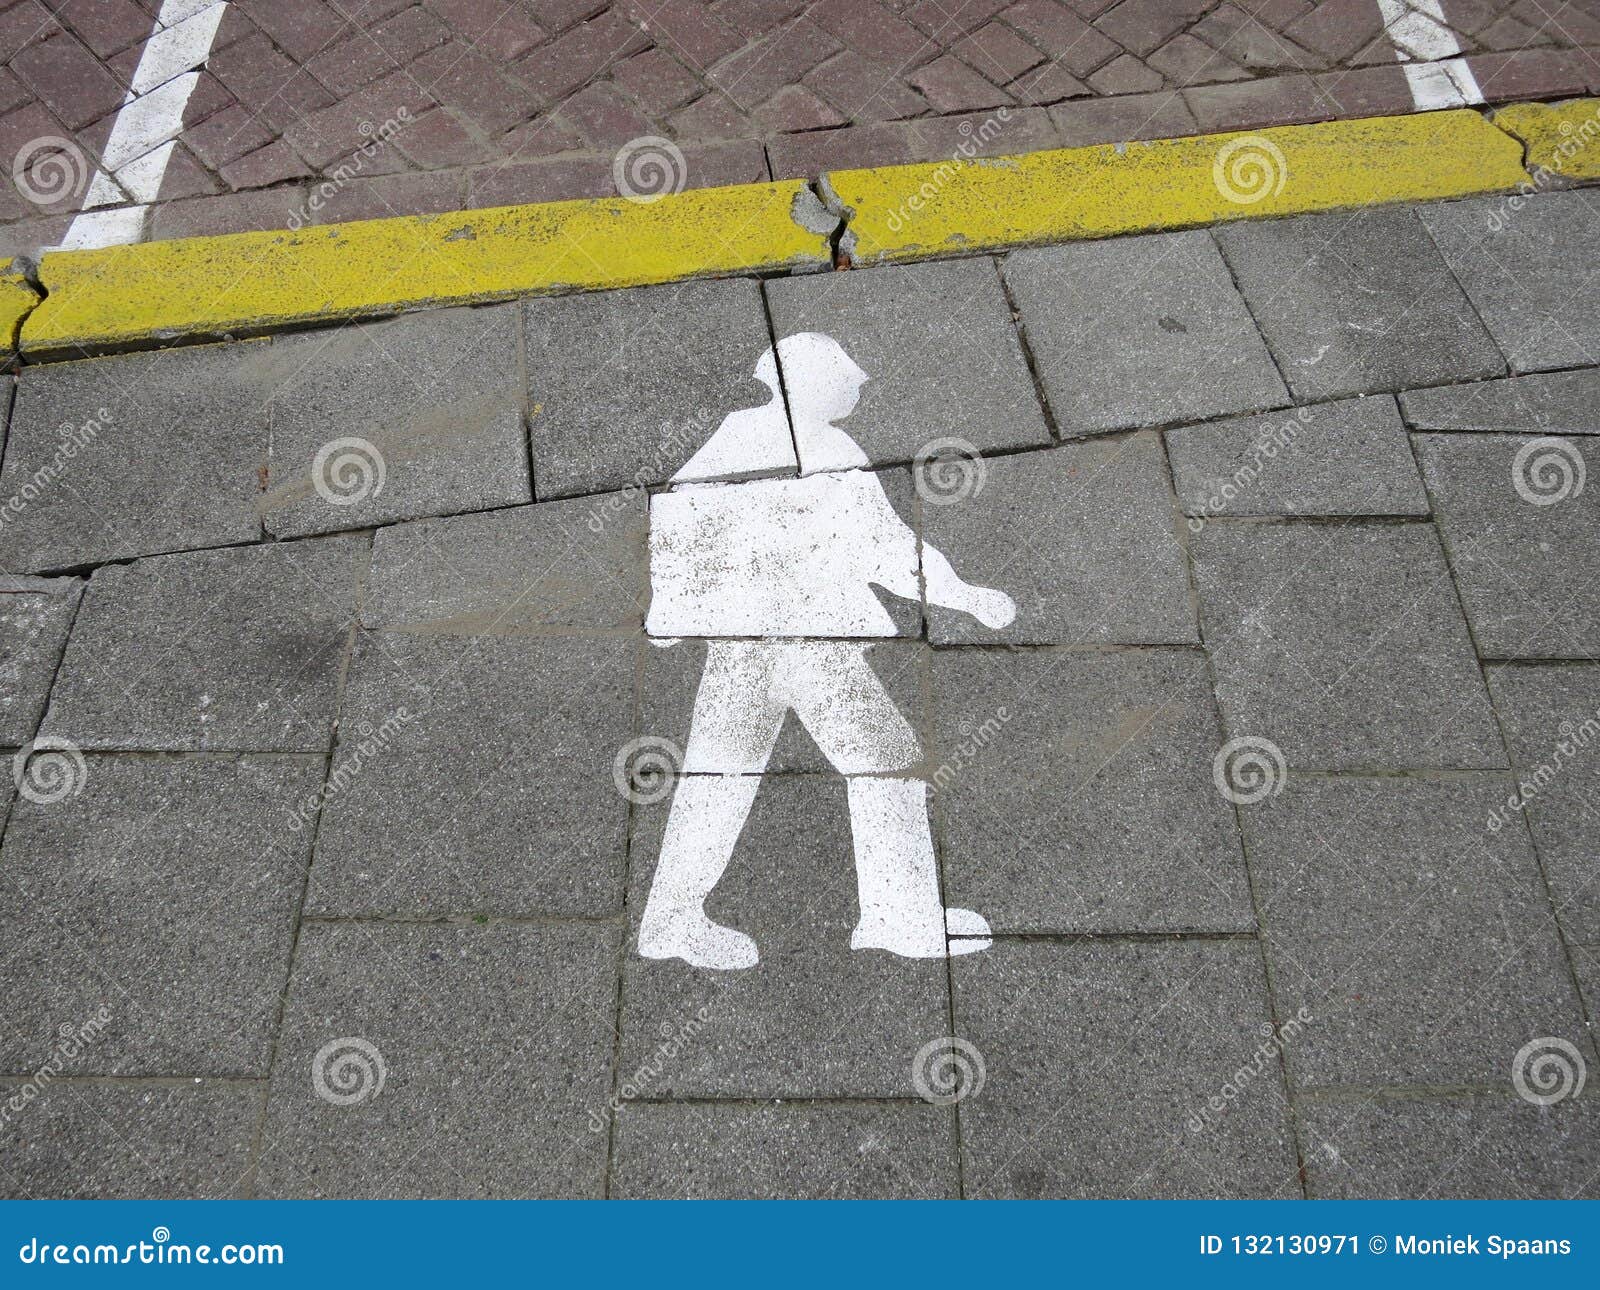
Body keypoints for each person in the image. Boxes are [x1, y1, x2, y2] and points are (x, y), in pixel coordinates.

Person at [638, 333, 1016, 970]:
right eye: (844, 378)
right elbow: (882, 547)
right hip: (803, 645)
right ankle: (899, 915)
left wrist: (672, 610)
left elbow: (679, 524)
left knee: (721, 774)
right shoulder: (811, 446)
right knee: (883, 763)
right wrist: (963, 594)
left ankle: (671, 922)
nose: (856, 387)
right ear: (809, 384)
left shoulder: (766, 440)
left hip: (753, 644)